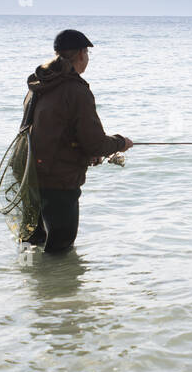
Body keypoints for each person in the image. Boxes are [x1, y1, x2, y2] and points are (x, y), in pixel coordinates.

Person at [22, 30, 133, 252]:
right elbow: (95, 143)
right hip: (59, 182)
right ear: (82, 54)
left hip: (29, 175)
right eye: (88, 54)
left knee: (33, 246)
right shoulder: (76, 90)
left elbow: (49, 131)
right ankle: (60, 287)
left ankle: (33, 285)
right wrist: (122, 142)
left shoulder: (39, 86)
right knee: (60, 251)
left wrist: (84, 152)